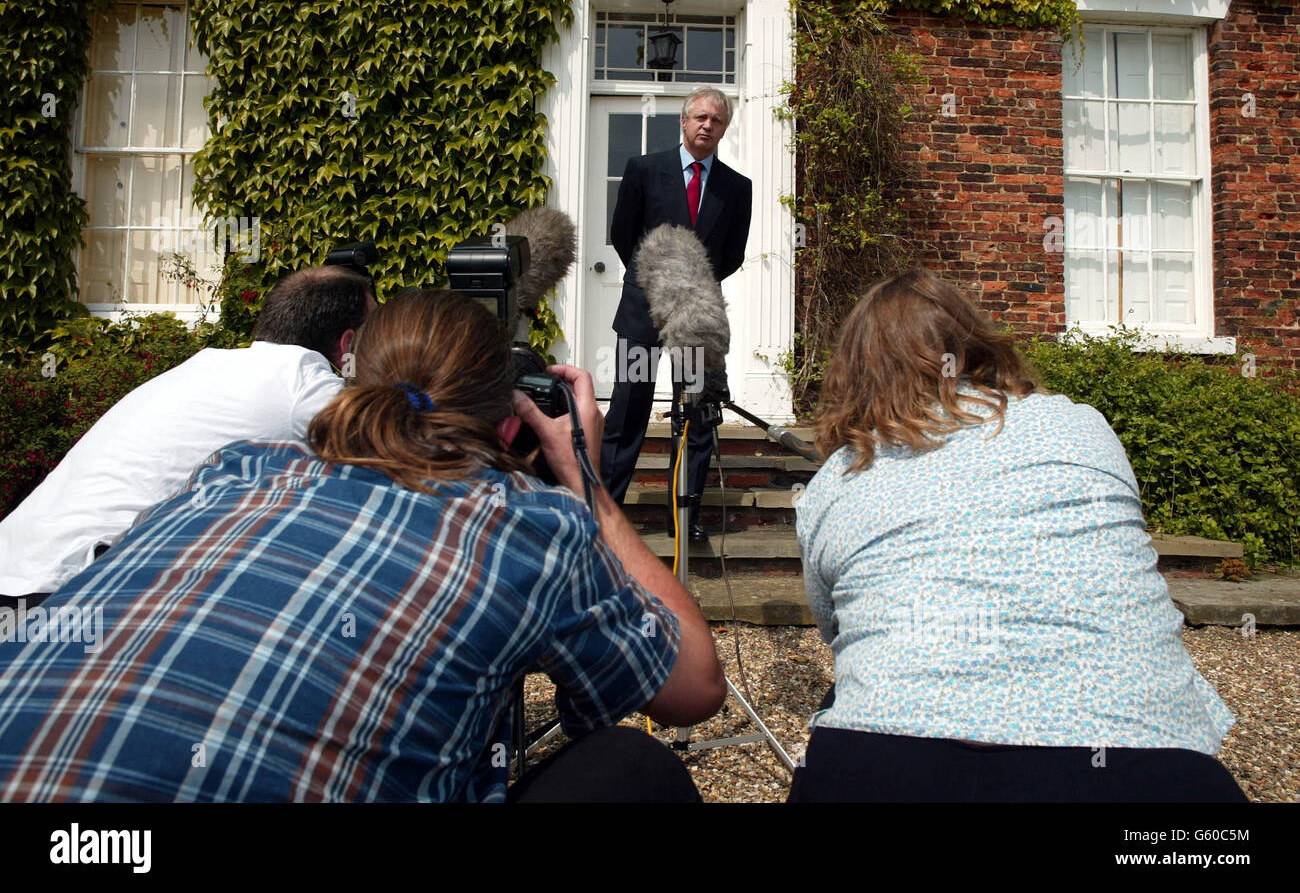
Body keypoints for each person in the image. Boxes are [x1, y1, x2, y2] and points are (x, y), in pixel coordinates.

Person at [0, 288, 726, 802]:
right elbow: (695, 684)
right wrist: (585, 481)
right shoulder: (528, 524)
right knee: (632, 768)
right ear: (511, 423)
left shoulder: (236, 469)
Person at [788, 269, 1245, 802]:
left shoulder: (836, 480)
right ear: (972, 344)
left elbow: (834, 626)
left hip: (881, 762)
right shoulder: (1081, 427)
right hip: (1143, 760)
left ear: (855, 370)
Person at [0, 266, 375, 606]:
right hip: (68, 585)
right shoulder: (300, 383)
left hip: (19, 561)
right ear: (346, 345)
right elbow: (401, 436)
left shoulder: (209, 365)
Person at [602, 86, 752, 542]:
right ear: (684, 122)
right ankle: (607, 514)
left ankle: (683, 520)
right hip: (643, 311)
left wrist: (691, 290)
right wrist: (659, 282)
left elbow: (731, 255)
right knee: (629, 408)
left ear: (724, 129)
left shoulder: (736, 187)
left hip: (696, 322)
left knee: (694, 415)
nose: (708, 125)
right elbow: (623, 234)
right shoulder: (644, 170)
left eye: (718, 120)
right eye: (701, 117)